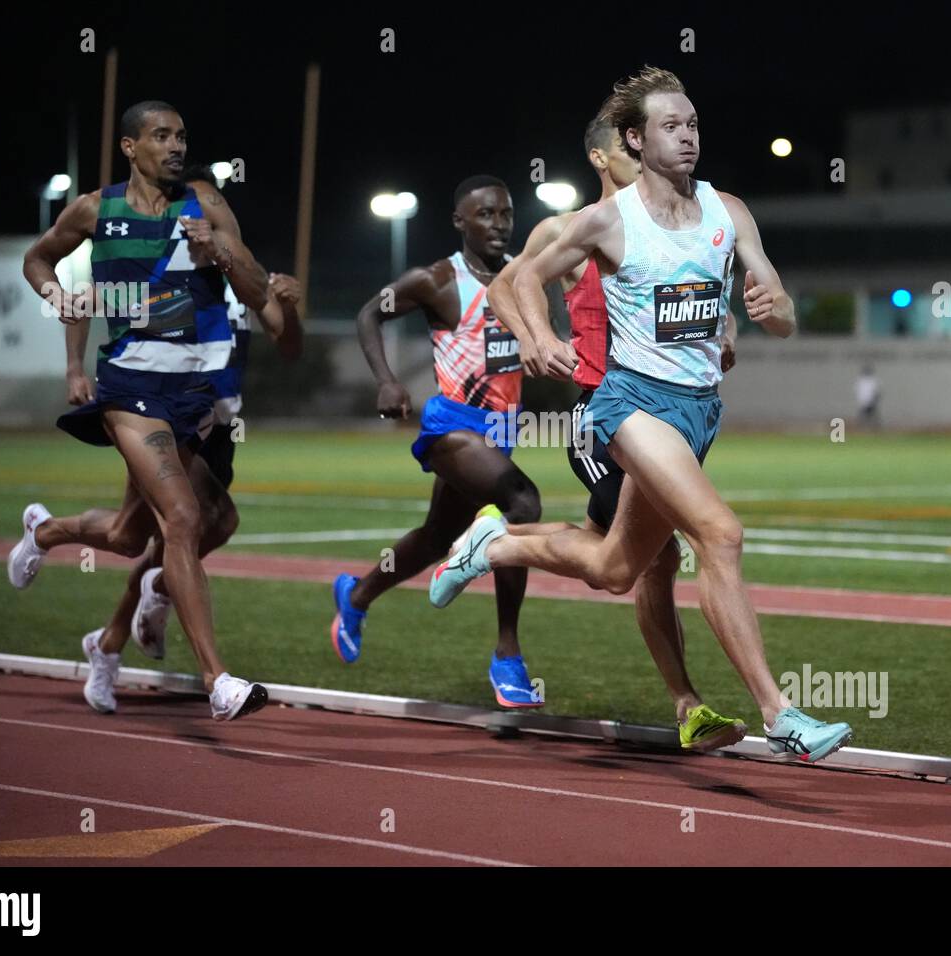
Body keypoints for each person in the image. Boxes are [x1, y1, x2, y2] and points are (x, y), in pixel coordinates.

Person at [430, 68, 853, 762]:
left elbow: (777, 307)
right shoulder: (603, 222)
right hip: (626, 406)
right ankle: (780, 714)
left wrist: (775, 314)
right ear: (634, 139)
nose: (687, 136)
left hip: (699, 414)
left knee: (619, 567)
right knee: (720, 534)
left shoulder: (730, 211)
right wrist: (539, 340)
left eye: (692, 125)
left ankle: (493, 546)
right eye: (670, 126)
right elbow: (517, 281)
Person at [486, 113, 745, 750]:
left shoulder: (667, 226)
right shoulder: (570, 226)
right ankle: (689, 705)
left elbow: (710, 305)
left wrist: (726, 333)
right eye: (635, 151)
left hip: (664, 413)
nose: (651, 163)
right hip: (600, 413)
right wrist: (535, 337)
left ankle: (689, 707)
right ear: (607, 158)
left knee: (639, 564)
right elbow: (504, 286)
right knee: (648, 557)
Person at [12, 102, 270, 720]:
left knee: (133, 536)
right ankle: (218, 681)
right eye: (162, 136)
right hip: (130, 388)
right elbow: (36, 258)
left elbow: (259, 290)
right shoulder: (97, 209)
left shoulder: (205, 203)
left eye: (182, 135)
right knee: (183, 518)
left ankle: (45, 530)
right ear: (131, 147)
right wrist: (60, 298)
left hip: (194, 396)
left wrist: (223, 251)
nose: (176, 145)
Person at [331, 175, 546, 708]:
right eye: (485, 215)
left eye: (505, 213)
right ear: (459, 222)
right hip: (451, 425)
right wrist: (386, 378)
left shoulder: (523, 276)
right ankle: (508, 655)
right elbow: (367, 314)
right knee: (522, 503)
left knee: (434, 538)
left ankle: (356, 596)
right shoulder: (436, 279)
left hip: (501, 431)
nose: (499, 224)